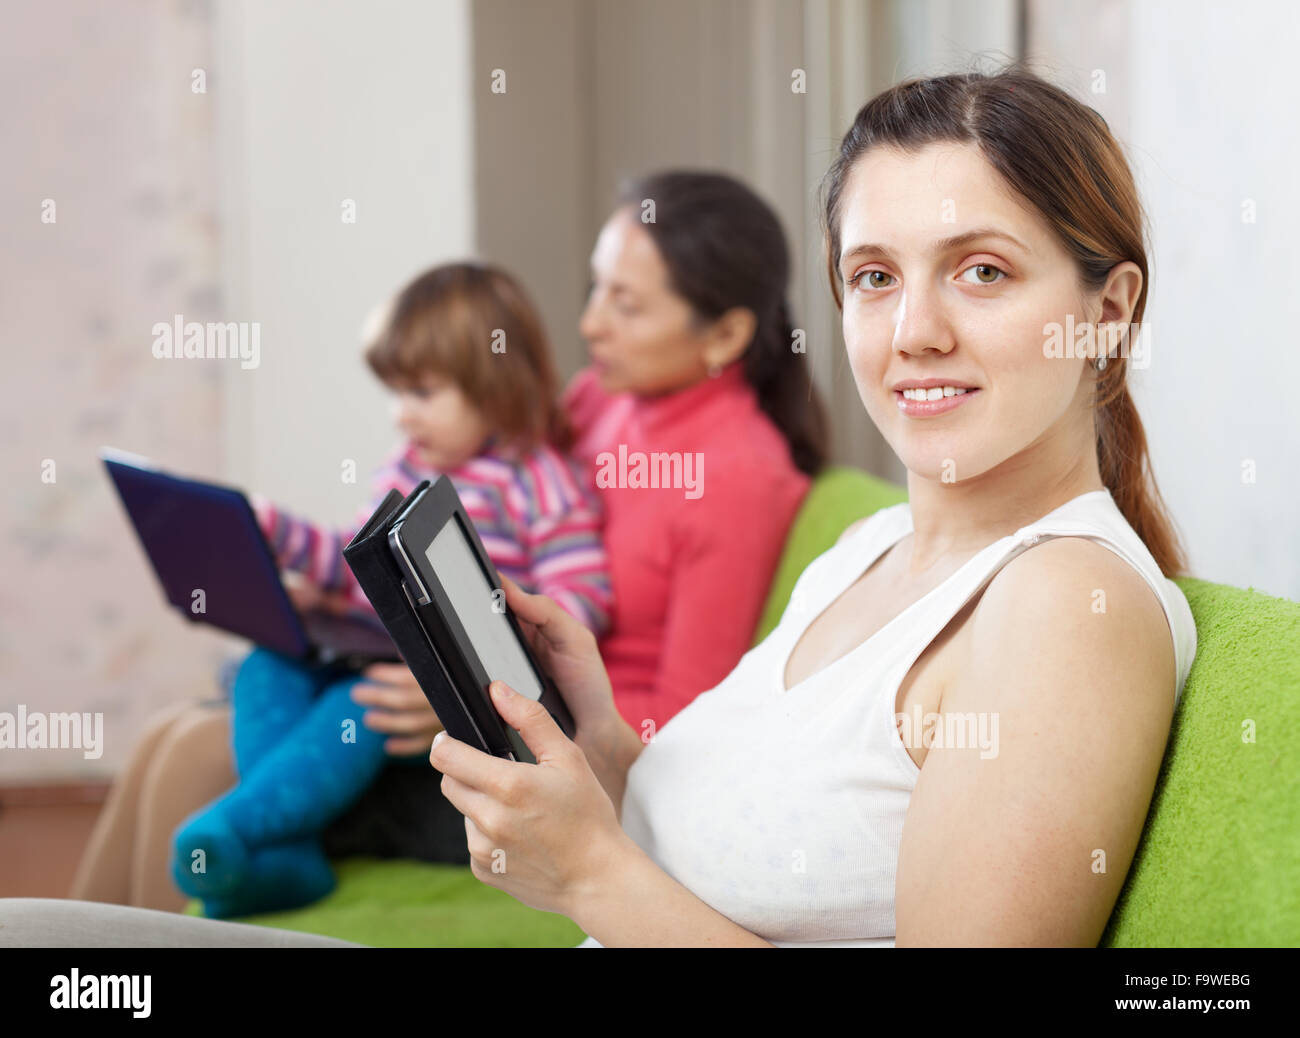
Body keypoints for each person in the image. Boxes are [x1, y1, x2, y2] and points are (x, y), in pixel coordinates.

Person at [23, 63, 1202, 947]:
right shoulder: (870, 547)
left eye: (982, 271)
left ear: (1107, 309)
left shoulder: (1065, 606)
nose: (914, 332)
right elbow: (759, 839)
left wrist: (587, 873)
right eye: (874, 277)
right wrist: (601, 749)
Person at [84, 262, 614, 920]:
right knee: (264, 667)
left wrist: (475, 662)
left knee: (358, 704)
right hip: (370, 643)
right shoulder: (405, 466)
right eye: (395, 392)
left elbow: (578, 603)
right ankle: (291, 855)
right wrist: (267, 529)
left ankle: (239, 830)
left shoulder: (541, 482)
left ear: (497, 383)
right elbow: (349, 566)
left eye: (421, 392)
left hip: (436, 679)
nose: (402, 415)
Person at [563, 171, 826, 735]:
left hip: (586, 755)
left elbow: (684, 719)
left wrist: (504, 709)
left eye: (626, 306)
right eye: (596, 289)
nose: (590, 325)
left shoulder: (737, 480)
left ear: (725, 336)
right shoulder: (596, 397)